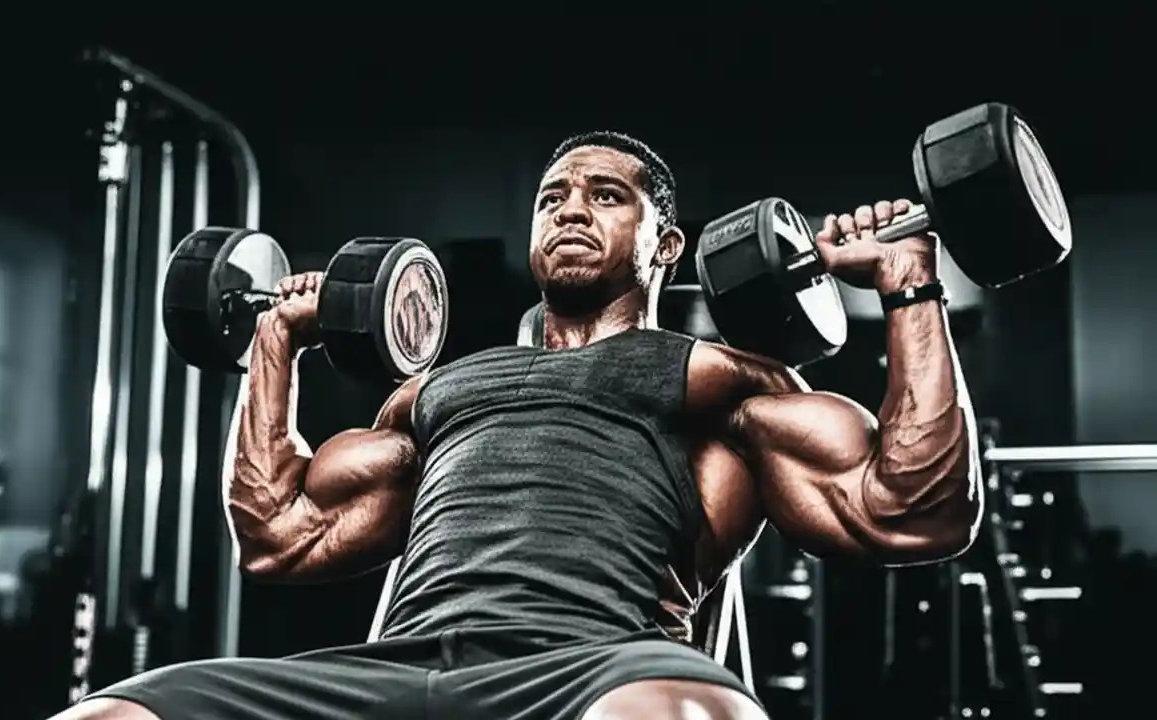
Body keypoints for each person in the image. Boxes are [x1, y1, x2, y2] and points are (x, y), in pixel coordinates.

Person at [54, 131, 983, 720]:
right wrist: (273, 341)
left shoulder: (721, 382)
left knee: (684, 715)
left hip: (588, 669)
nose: (571, 207)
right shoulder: (439, 390)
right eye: (552, 197)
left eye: (605, 195)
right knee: (115, 716)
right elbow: (279, 534)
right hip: (393, 671)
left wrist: (909, 284)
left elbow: (911, 509)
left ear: (664, 242)